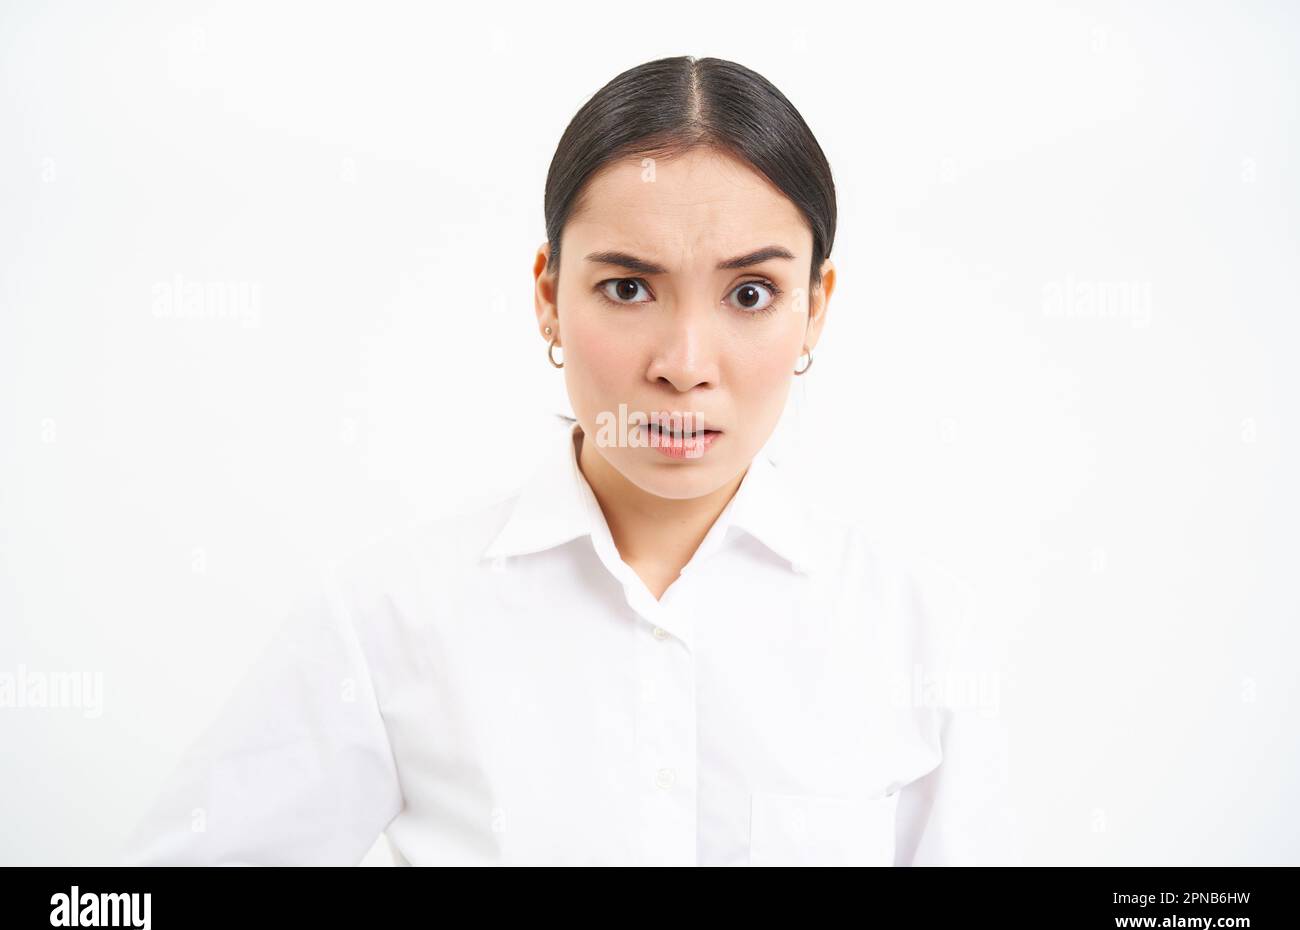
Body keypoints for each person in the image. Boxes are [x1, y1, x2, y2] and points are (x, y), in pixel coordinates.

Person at [118, 54, 1020, 866]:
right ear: (548, 295)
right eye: (627, 288)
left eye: (752, 293)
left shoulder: (920, 638)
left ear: (815, 307)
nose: (684, 365)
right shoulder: (394, 617)